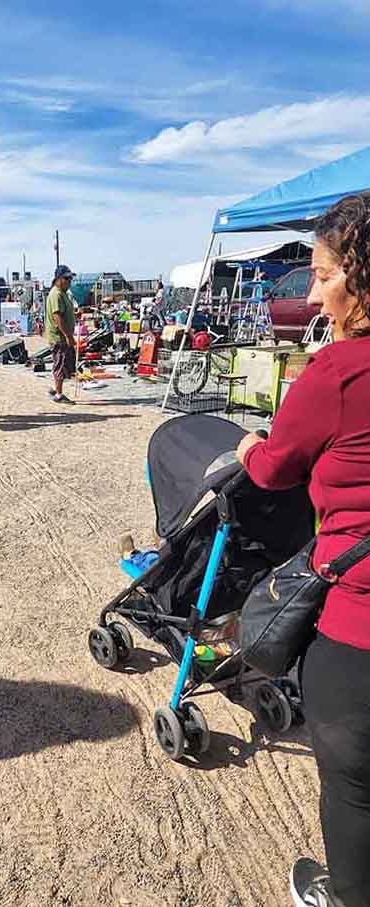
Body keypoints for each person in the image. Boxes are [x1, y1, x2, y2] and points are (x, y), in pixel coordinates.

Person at [236, 193, 370, 907]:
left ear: (362, 277)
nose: (313, 292)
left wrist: (250, 444)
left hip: (359, 630)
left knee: (353, 790)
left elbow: (274, 469)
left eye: (321, 275)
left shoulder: (340, 372)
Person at [45, 265, 77, 404]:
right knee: (60, 364)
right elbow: (57, 317)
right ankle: (58, 394)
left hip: (63, 336)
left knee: (65, 364)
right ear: (58, 279)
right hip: (59, 337)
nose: (69, 281)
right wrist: (68, 336)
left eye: (70, 279)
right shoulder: (56, 294)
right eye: (66, 278)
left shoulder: (63, 293)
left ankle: (55, 388)